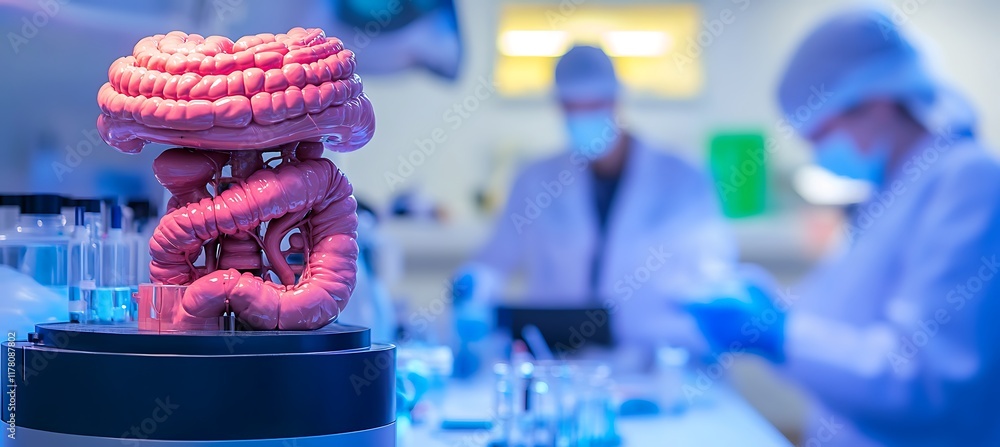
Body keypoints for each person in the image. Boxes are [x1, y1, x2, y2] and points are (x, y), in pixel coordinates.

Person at [687, 9, 1000, 446]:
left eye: (820, 134)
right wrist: (775, 307)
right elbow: (849, 318)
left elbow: (924, 378)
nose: (816, 153)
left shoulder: (969, 181)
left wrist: (777, 332)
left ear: (877, 102)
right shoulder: (890, 191)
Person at [457, 45, 737, 364]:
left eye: (594, 105)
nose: (583, 116)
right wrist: (472, 290)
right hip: (559, 361)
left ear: (616, 101)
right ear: (559, 107)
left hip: (651, 357)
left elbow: (713, 267)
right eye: (573, 107)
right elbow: (494, 261)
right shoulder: (535, 180)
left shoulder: (683, 177)